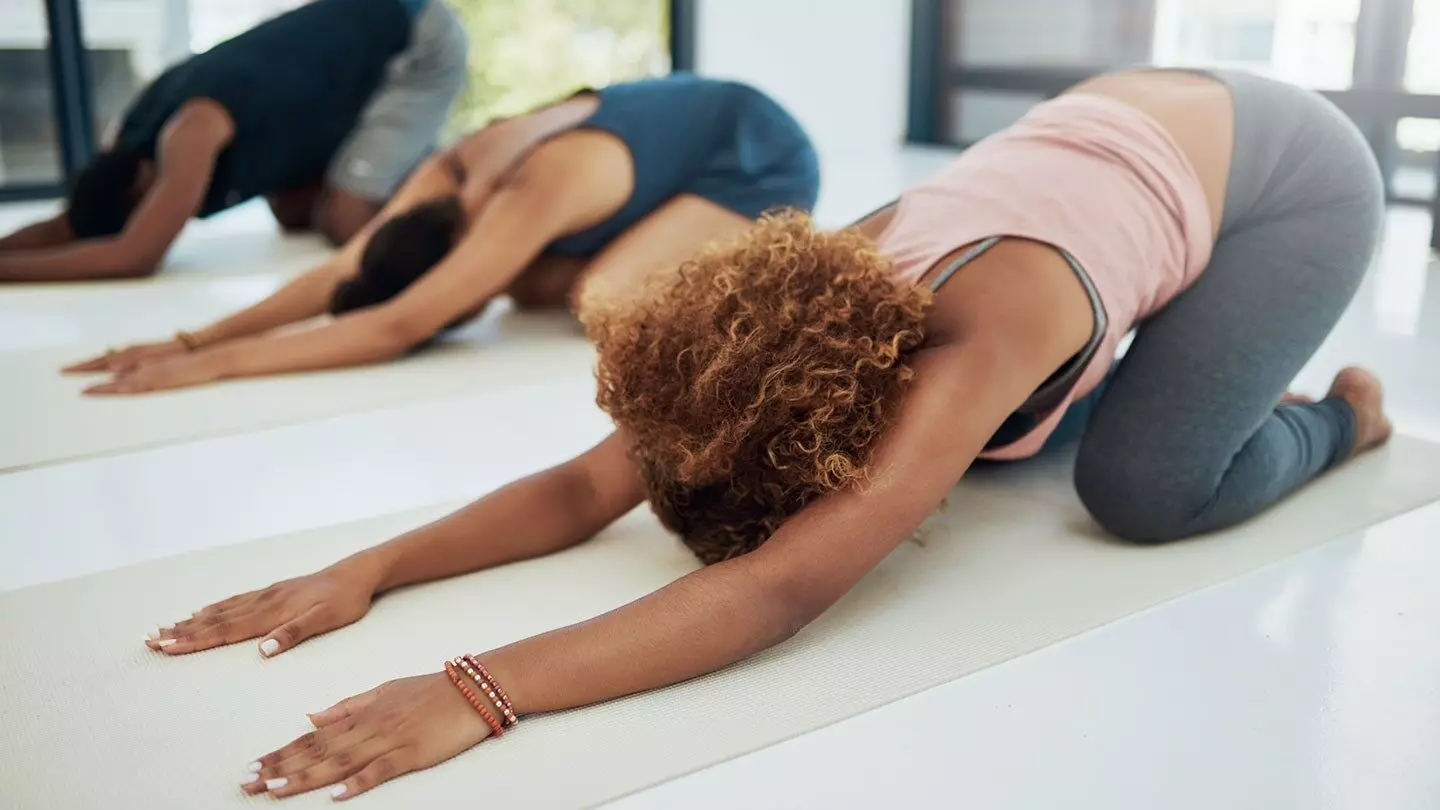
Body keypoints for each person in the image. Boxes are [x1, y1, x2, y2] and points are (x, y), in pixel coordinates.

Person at [144, 69, 1391, 801]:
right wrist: (367, 568)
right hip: (1125, 135)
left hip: (1290, 181)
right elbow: (588, 488)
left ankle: (1337, 417)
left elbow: (785, 583)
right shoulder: (786, 301)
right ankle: (1170, 363)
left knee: (1143, 490)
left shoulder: (970, 347)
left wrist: (483, 688)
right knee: (1040, 430)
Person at [65, 74, 821, 394]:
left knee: (600, 301)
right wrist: (195, 337)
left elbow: (399, 323)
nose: (469, 308)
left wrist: (219, 368)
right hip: (647, 143)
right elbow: (338, 277)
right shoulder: (438, 178)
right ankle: (606, 235)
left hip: (750, 155)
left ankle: (752, 239)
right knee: (532, 292)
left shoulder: (528, 192)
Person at [0, 0, 468, 282]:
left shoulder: (189, 132)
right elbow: (68, 226)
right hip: (341, 71)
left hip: (416, 37)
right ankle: (397, 165)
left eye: (152, 203)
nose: (165, 207)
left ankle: (460, 186)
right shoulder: (125, 137)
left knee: (346, 219)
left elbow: (136, 255)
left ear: (139, 190)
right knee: (296, 216)